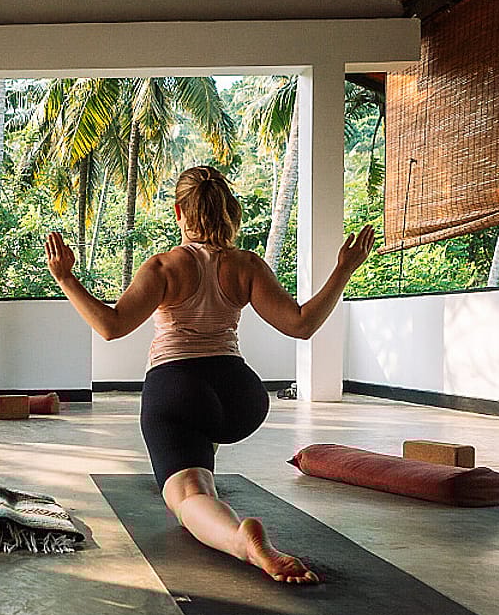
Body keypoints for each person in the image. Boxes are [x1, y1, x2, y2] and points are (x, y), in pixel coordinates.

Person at [45, 165, 374, 583]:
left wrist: (65, 277)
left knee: (187, 497)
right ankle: (204, 465)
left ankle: (241, 541)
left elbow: (111, 326)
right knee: (200, 440)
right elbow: (301, 324)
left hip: (177, 389)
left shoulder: (164, 267)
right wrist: (344, 267)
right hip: (239, 396)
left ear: (180, 212)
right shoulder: (247, 265)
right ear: (229, 211)